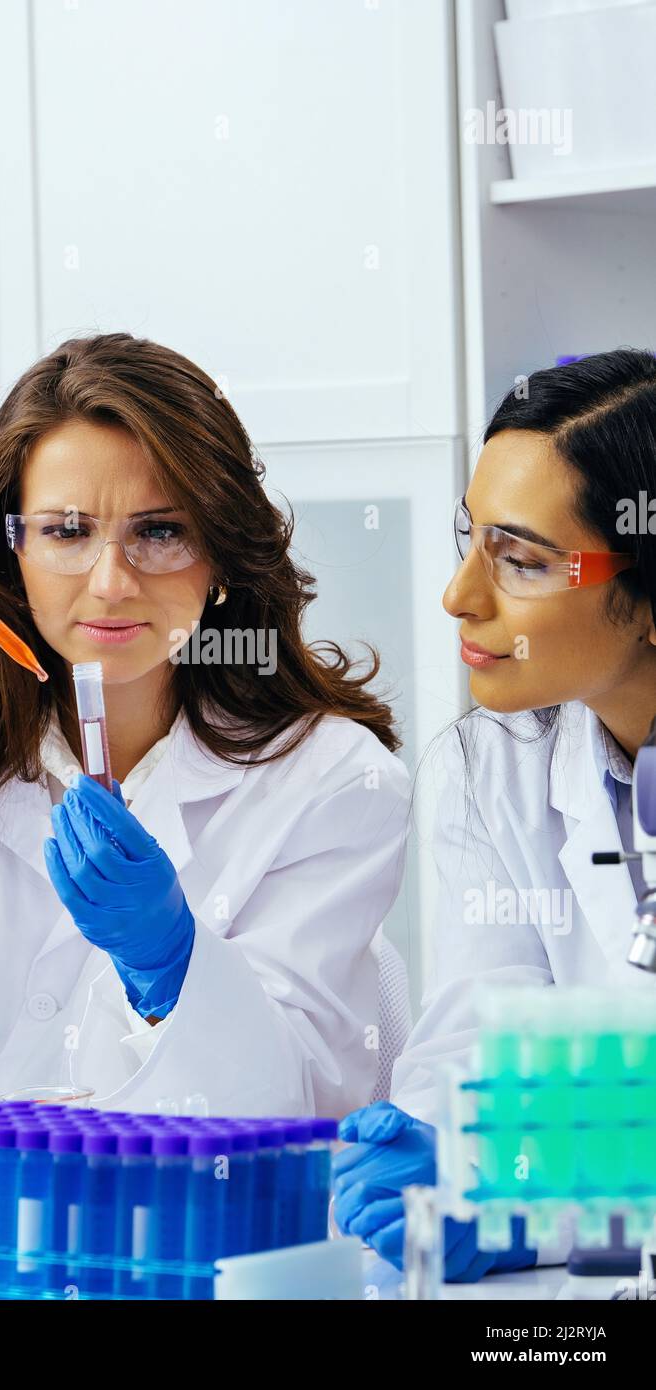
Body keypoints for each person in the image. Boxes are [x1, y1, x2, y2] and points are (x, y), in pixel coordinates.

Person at [0, 332, 409, 1133]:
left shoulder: (329, 779)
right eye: (66, 532)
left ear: (221, 551)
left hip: (153, 1226)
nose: (112, 583)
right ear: (9, 553)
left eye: (160, 531)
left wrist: (173, 967)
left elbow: (300, 1108)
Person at [334, 348, 656, 1280]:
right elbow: (484, 1036)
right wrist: (452, 1166)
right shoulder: (499, 766)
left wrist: (531, 1192)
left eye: (517, 559)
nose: (458, 597)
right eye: (470, 541)